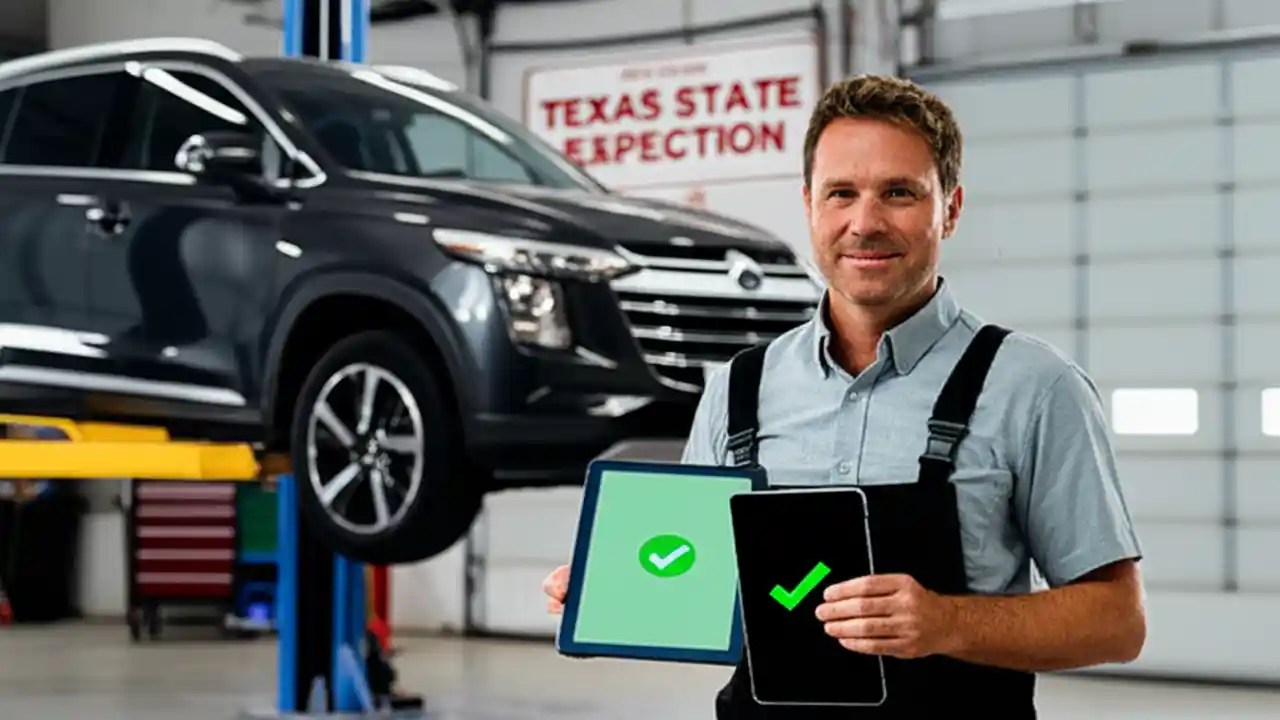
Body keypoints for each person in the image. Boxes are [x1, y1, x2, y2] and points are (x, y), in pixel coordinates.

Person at [542, 74, 1146, 717]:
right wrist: (608, 597)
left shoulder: (1033, 387)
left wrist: (948, 623)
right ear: (809, 205)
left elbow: (1116, 621)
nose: (866, 222)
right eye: (841, 193)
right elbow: (699, 593)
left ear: (952, 207)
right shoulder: (737, 390)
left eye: (899, 193)